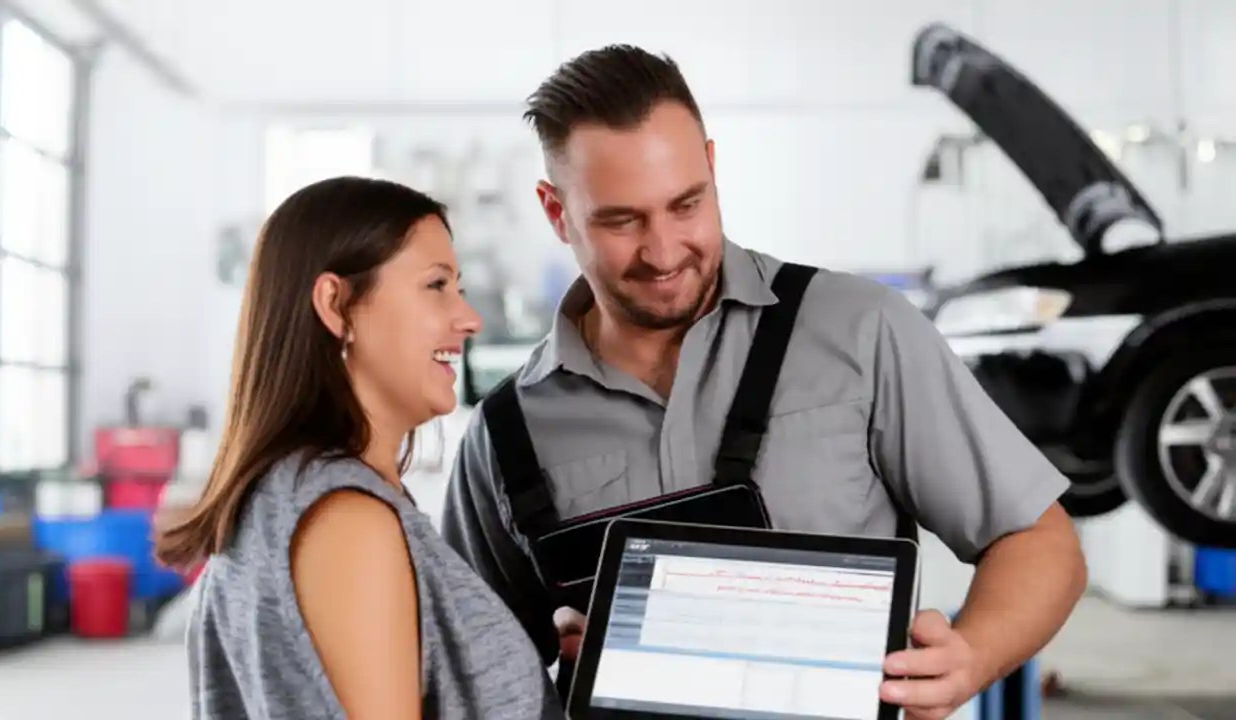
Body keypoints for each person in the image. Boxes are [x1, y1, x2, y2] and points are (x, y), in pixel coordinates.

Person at [441, 45, 1088, 719]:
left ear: (713, 172)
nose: (664, 251)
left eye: (686, 204)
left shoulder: (860, 332)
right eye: (621, 220)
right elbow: (466, 671)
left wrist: (969, 658)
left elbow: (1040, 542)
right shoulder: (506, 435)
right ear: (555, 212)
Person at [153, 177, 566, 720]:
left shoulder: (303, 496)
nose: (468, 319)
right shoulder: (348, 523)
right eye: (436, 285)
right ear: (337, 305)